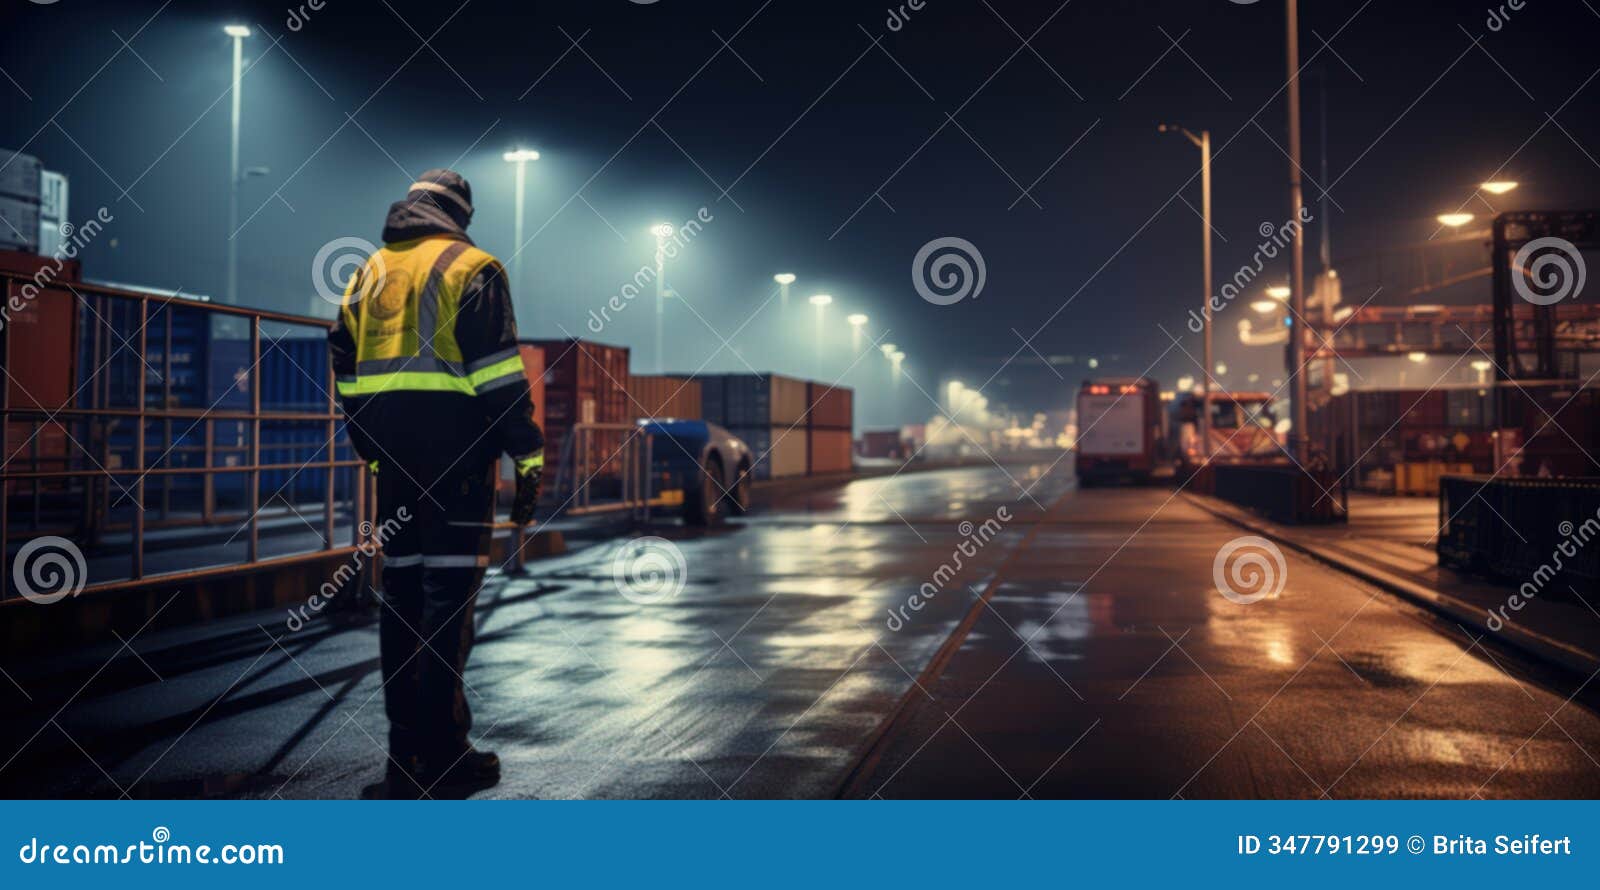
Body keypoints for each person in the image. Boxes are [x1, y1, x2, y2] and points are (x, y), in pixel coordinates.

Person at [328, 168, 545, 798]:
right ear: (460, 215)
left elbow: (344, 361)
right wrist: (527, 454)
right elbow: (497, 375)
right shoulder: (472, 267)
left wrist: (369, 444)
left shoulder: (367, 271)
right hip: (457, 460)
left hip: (393, 462)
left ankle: (405, 756)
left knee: (402, 601)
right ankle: (445, 754)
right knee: (448, 601)